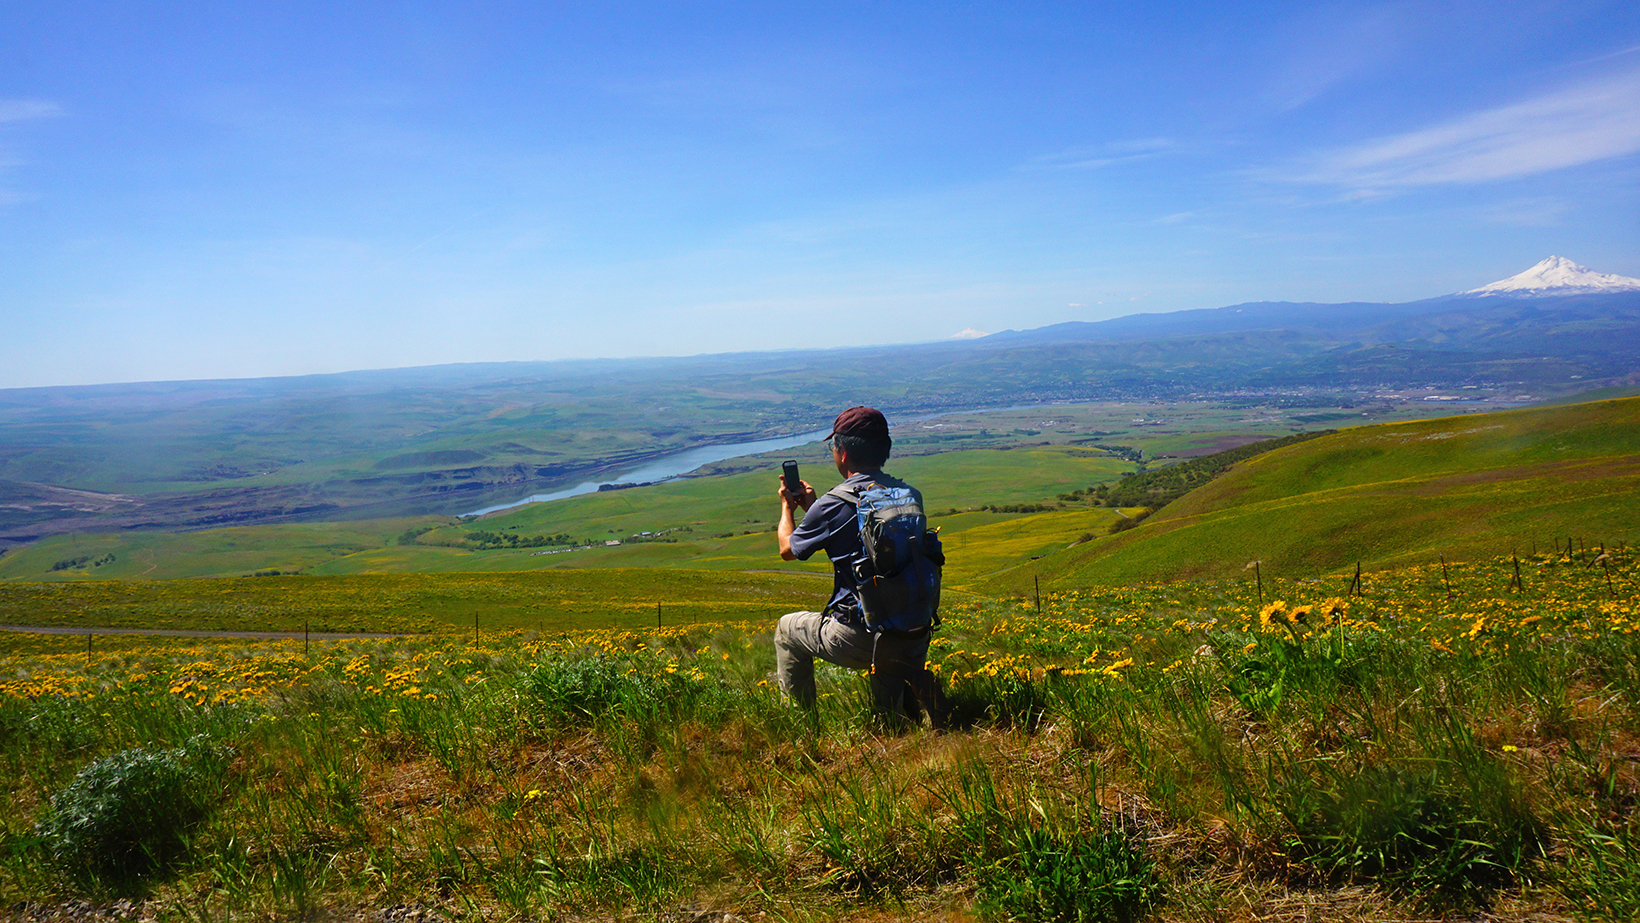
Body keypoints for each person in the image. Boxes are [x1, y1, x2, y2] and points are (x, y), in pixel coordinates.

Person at [774, 406, 941, 721]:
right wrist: (813, 507)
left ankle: (799, 724)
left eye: (833, 447)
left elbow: (787, 548)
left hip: (861, 638)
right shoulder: (909, 495)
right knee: (891, 723)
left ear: (843, 453)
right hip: (914, 632)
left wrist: (788, 507)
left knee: (786, 630)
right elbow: (858, 540)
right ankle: (904, 712)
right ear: (884, 450)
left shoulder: (833, 504)